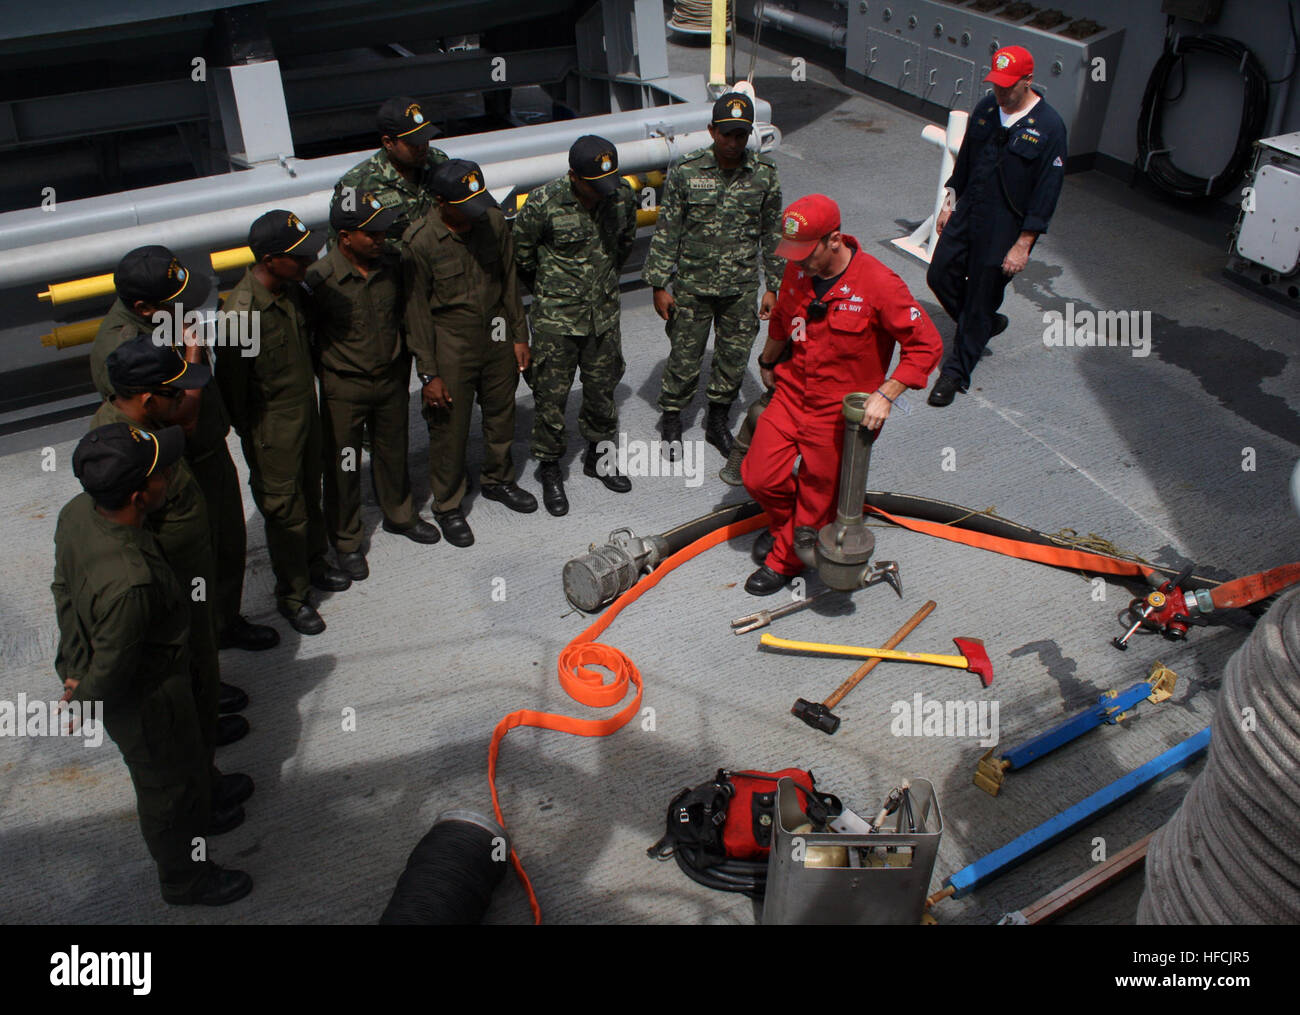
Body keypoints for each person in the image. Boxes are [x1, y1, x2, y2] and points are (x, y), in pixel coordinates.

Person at [53, 422, 253, 905]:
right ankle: (186, 879)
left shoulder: (79, 511)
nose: (171, 476)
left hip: (156, 676)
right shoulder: (131, 583)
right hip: (147, 698)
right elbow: (114, 670)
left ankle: (203, 802)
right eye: (162, 473)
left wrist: (71, 661)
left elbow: (63, 589)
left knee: (188, 768)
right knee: (168, 792)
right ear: (141, 495)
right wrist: (80, 690)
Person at [742, 194, 941, 595]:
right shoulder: (797, 271)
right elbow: (782, 321)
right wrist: (766, 362)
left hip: (839, 414)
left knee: (818, 495)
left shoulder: (879, 284)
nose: (796, 261)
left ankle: (786, 559)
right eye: (791, 252)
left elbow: (927, 346)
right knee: (758, 476)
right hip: (792, 392)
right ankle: (787, 529)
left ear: (834, 240)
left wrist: (886, 394)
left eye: (805, 252)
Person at [95, 335, 258, 808]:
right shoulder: (122, 451)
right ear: (149, 399)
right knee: (181, 684)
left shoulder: (140, 427)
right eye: (174, 391)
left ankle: (206, 735)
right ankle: (202, 788)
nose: (183, 400)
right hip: (174, 584)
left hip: (190, 574)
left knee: (199, 667)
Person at [89, 245, 277, 652]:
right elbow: (177, 419)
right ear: (141, 306)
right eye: (170, 299)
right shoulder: (122, 347)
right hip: (176, 472)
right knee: (194, 570)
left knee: (228, 546)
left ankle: (226, 622)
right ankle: (202, 655)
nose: (180, 305)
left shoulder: (164, 313)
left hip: (210, 452)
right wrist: (192, 352)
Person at [216, 211, 352, 636]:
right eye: (297, 258)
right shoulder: (242, 315)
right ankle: (292, 596)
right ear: (270, 260)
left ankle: (314, 564)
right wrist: (256, 436)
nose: (307, 264)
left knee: (310, 494)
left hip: (303, 416)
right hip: (271, 429)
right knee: (284, 512)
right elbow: (233, 389)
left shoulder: (289, 292)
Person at [305, 191, 442, 581]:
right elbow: (308, 337)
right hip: (343, 389)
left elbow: (408, 316)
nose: (381, 239)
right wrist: (330, 376)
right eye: (371, 233)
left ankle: (400, 515)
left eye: (383, 231)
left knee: (392, 452)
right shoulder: (320, 281)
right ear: (345, 236)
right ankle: (347, 541)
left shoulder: (392, 265)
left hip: (389, 381)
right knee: (343, 465)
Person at [642, 91, 784, 458]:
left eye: (740, 135)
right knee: (685, 355)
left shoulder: (764, 176)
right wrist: (659, 284)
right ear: (711, 131)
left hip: (740, 286)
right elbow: (667, 229)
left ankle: (718, 420)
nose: (733, 142)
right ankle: (672, 416)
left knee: (733, 356)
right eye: (726, 134)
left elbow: (773, 234)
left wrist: (775, 287)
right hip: (692, 285)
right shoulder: (687, 171)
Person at [402, 159, 536, 547]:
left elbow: (509, 280)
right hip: (450, 342)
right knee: (449, 427)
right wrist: (429, 374)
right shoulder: (420, 242)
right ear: (441, 202)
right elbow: (417, 313)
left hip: (496, 335)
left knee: (501, 412)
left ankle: (498, 479)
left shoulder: (491, 221)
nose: (476, 211)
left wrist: (518, 335)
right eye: (465, 204)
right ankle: (448, 504)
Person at [925, 45, 1067, 407]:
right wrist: (949, 203)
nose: (1000, 93)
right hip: (970, 208)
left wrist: (1024, 243)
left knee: (980, 295)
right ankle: (983, 324)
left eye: (1008, 87)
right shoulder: (987, 109)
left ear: (1028, 81)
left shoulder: (1050, 127)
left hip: (1006, 222)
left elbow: (1047, 192)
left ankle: (956, 374)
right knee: (939, 274)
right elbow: (968, 161)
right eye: (996, 85)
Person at [513, 134, 638, 515]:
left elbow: (623, 244)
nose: (603, 193)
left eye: (608, 184)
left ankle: (598, 457)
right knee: (552, 397)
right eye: (593, 185)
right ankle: (550, 468)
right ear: (573, 176)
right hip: (557, 321)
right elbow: (522, 258)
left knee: (602, 390)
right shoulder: (542, 203)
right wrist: (555, 293)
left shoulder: (621, 196)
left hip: (603, 316)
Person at [333, 96, 450, 252]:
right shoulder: (356, 185)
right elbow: (341, 250)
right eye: (413, 143)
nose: (422, 147)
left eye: (425, 139)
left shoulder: (437, 161)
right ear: (388, 142)